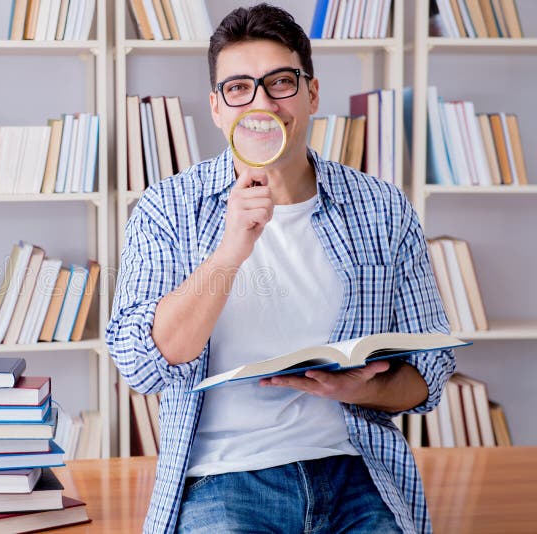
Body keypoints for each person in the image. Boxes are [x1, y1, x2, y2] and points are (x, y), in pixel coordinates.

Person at [106, 4, 454, 533]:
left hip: (358, 472)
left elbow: (429, 377)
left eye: (281, 82)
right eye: (239, 88)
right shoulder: (167, 210)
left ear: (312, 94)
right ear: (218, 109)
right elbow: (142, 366)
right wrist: (229, 251)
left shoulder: (383, 208)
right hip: (224, 479)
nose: (262, 103)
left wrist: (359, 389)